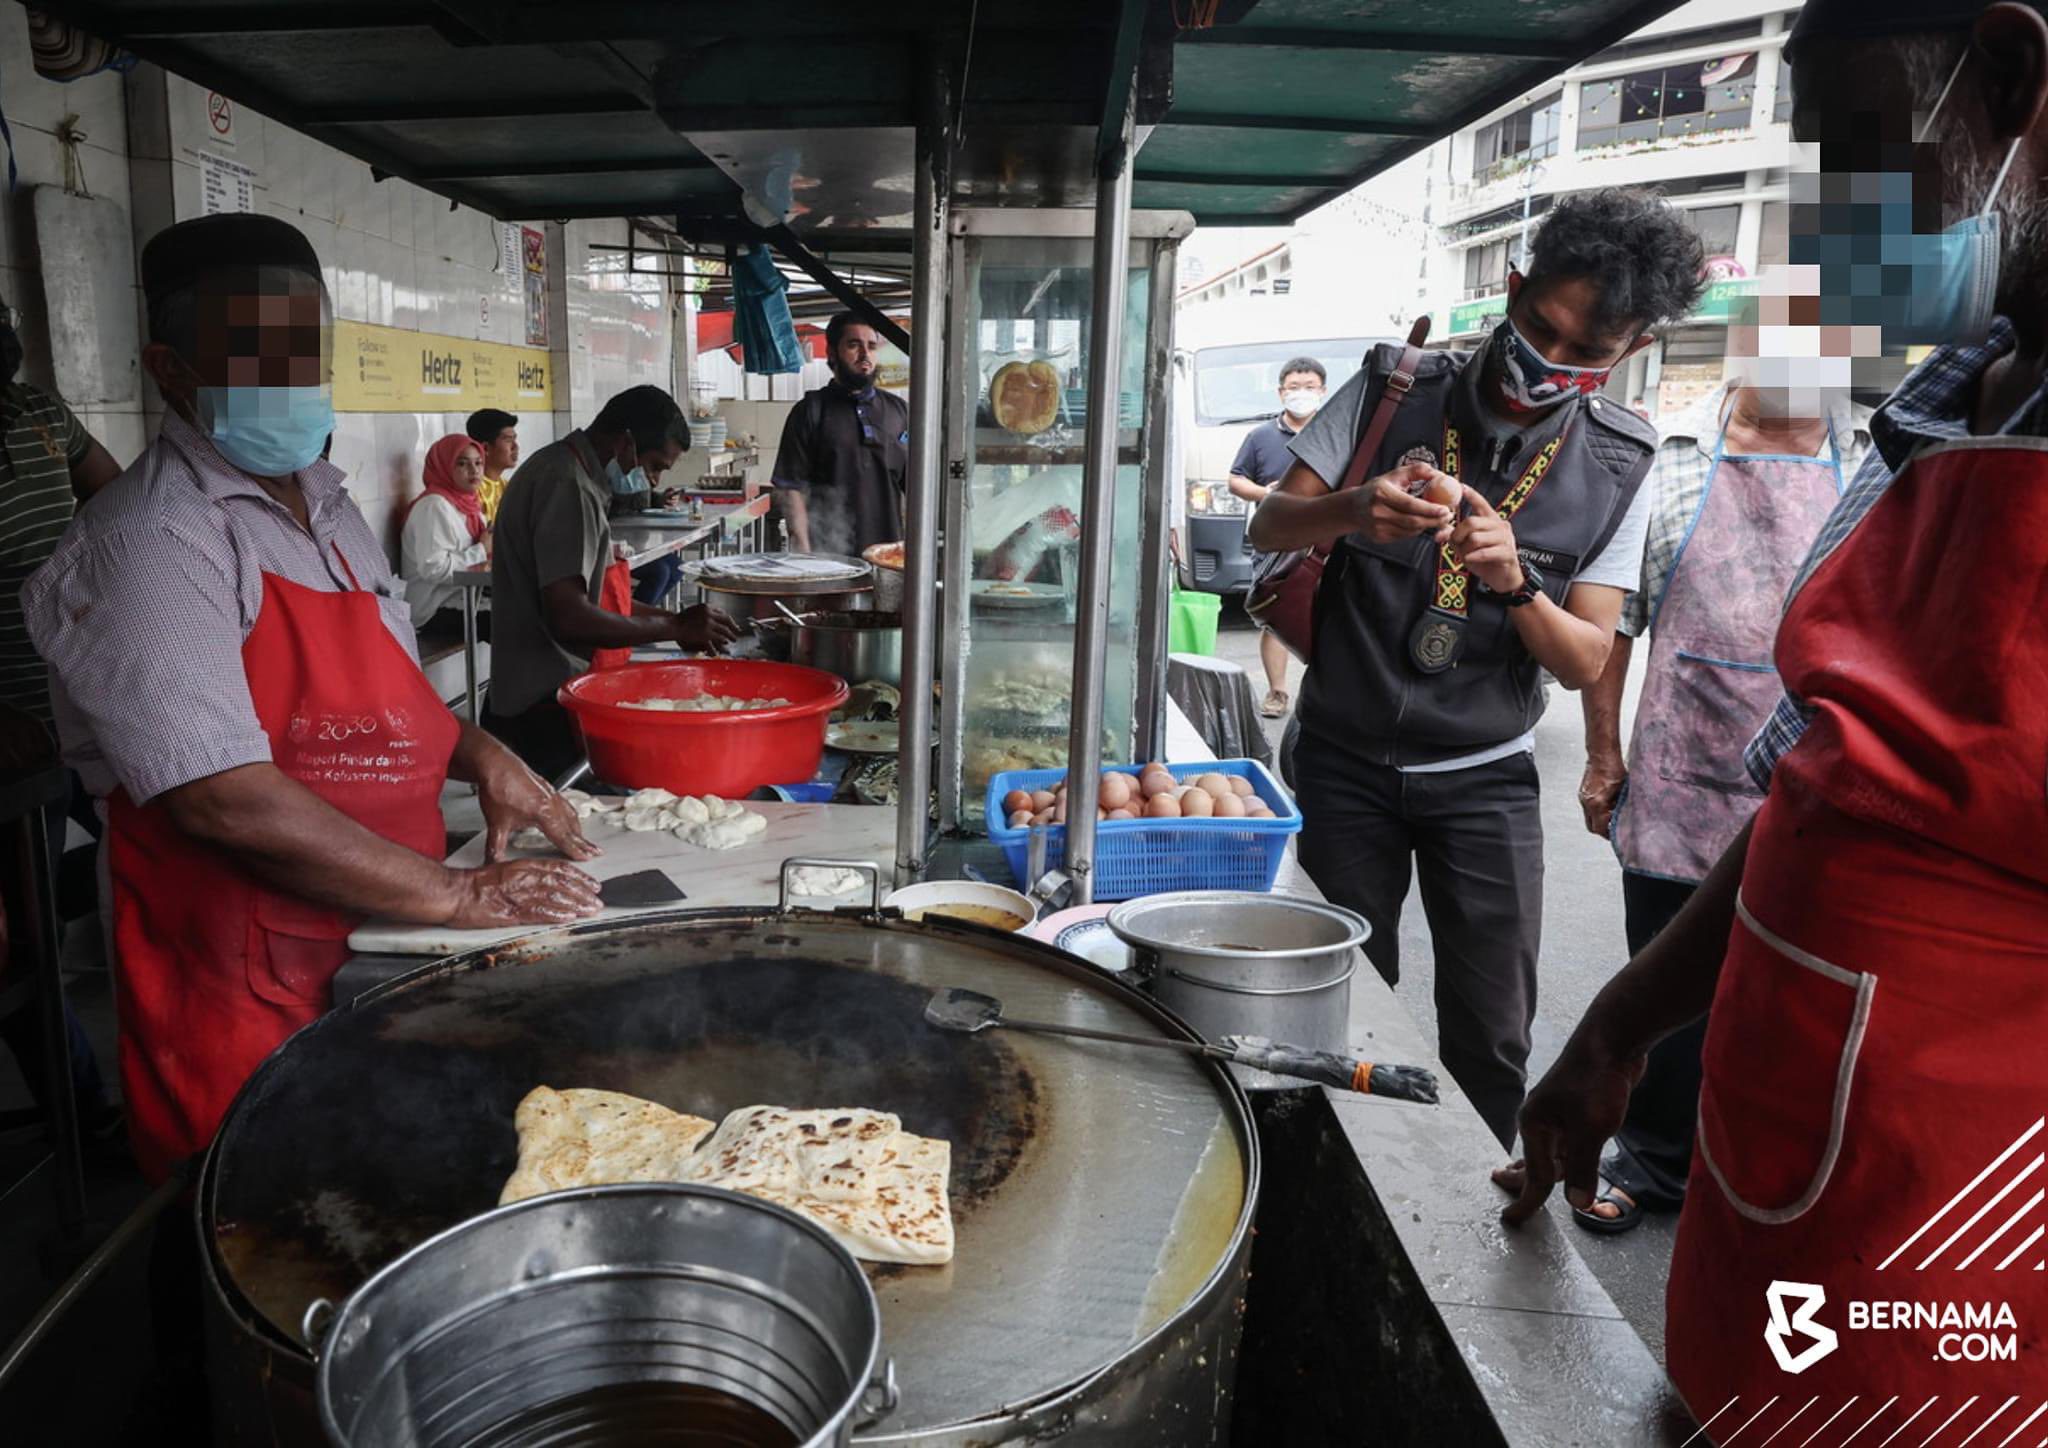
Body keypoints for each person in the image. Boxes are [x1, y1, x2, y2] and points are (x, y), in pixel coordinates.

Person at [1500, 0, 2048, 1417]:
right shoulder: (1948, 404)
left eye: (1858, 144)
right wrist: (1618, 1023)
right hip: (1782, 1145)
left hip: (1963, 1213)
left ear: (2004, 76)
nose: (1836, 212)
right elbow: (1829, 775)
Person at [21, 213, 607, 1185]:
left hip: (389, 939)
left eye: (308, 351)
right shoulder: (149, 543)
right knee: (266, 1217)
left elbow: (383, 693)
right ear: (171, 370)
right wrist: (459, 893)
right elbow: (220, 796)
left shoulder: (326, 505)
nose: (294, 378)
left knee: (408, 1190)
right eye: (258, 357)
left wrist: (478, 752)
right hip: (251, 982)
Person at [1247, 188, 1706, 1147]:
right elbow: (1269, 525)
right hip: (1341, 763)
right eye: (1540, 328)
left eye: (1587, 352)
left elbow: (1586, 657)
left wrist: (1517, 584)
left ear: (1633, 348)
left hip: (1483, 782)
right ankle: (1345, 1173)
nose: (1550, 362)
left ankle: (1484, 1202)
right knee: (1344, 1003)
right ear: (1512, 286)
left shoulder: (1620, 459)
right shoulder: (1392, 388)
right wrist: (1353, 508)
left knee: (1493, 1033)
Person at [1563, 325, 1872, 1235]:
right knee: (1666, 984)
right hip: (1681, 776)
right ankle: (1655, 1162)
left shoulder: (1874, 459)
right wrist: (1602, 754)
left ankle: (1766, 1179)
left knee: (1799, 992)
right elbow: (1617, 623)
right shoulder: (1668, 458)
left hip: (1820, 776)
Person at [0, 292, 123, 1138]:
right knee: (26, 940)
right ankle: (82, 1124)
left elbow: (114, 497)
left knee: (162, 862)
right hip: (13, 737)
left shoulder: (37, 411)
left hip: (90, 697)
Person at [484, 384, 739, 778]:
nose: (652, 482)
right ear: (626, 443)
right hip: (539, 700)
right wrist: (673, 626)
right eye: (654, 466)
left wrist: (679, 624)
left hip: (546, 690)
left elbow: (599, 600)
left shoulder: (572, 473)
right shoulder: (565, 484)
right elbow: (569, 616)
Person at [1226, 355, 1326, 717]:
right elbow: (1235, 479)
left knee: (1330, 613)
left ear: (1323, 391)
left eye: (1309, 387)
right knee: (1277, 613)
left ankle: (1326, 692)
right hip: (1275, 541)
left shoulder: (1334, 433)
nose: (1302, 393)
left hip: (1326, 539)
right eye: (1294, 387)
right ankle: (1278, 692)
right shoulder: (1261, 437)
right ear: (1281, 392)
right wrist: (1265, 494)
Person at [771, 312, 907, 556]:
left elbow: (917, 486)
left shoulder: (899, 411)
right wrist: (803, 553)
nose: (865, 355)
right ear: (832, 352)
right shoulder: (810, 411)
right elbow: (791, 488)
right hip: (828, 556)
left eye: (871, 346)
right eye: (854, 345)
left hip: (888, 556)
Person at [401, 433, 491, 638]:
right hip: (433, 608)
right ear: (444, 467)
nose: (474, 470)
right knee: (515, 621)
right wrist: (481, 550)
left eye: (478, 463)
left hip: (466, 597)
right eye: (462, 463)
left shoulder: (470, 505)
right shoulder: (434, 506)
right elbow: (433, 569)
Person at [465, 407, 517, 524]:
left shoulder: (508, 487)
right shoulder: (472, 490)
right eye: (508, 440)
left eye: (515, 439)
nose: (515, 447)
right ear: (485, 448)